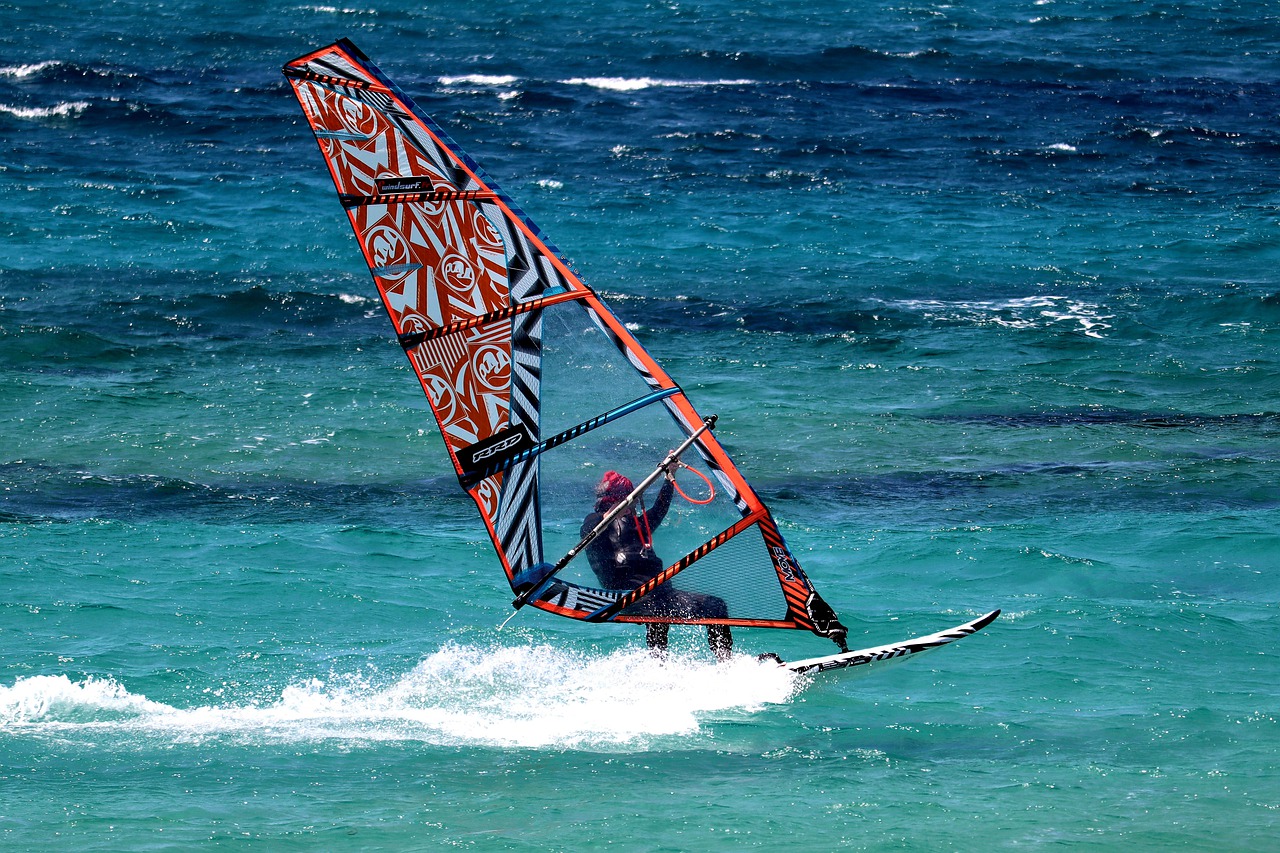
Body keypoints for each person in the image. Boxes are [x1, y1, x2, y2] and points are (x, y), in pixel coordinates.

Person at [582, 469, 733, 661]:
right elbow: (593, 528)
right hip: (627, 596)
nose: (634, 504)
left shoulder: (638, 525)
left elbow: (660, 508)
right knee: (657, 609)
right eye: (630, 499)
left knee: (716, 606)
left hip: (659, 593)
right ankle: (658, 664)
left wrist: (670, 478)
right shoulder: (594, 522)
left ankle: (725, 662)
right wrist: (616, 509)